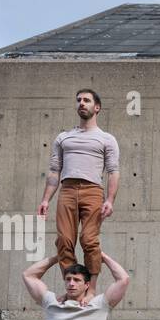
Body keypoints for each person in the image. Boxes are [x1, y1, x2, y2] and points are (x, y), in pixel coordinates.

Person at [38, 88, 121, 294]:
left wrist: (109, 200)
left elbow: (113, 171)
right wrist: (46, 200)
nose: (81, 103)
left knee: (89, 240)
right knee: (64, 241)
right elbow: (54, 171)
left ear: (97, 107)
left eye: (86, 100)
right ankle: (73, 287)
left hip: (92, 191)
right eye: (78, 100)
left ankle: (90, 288)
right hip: (67, 190)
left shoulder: (106, 139)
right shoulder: (64, 137)